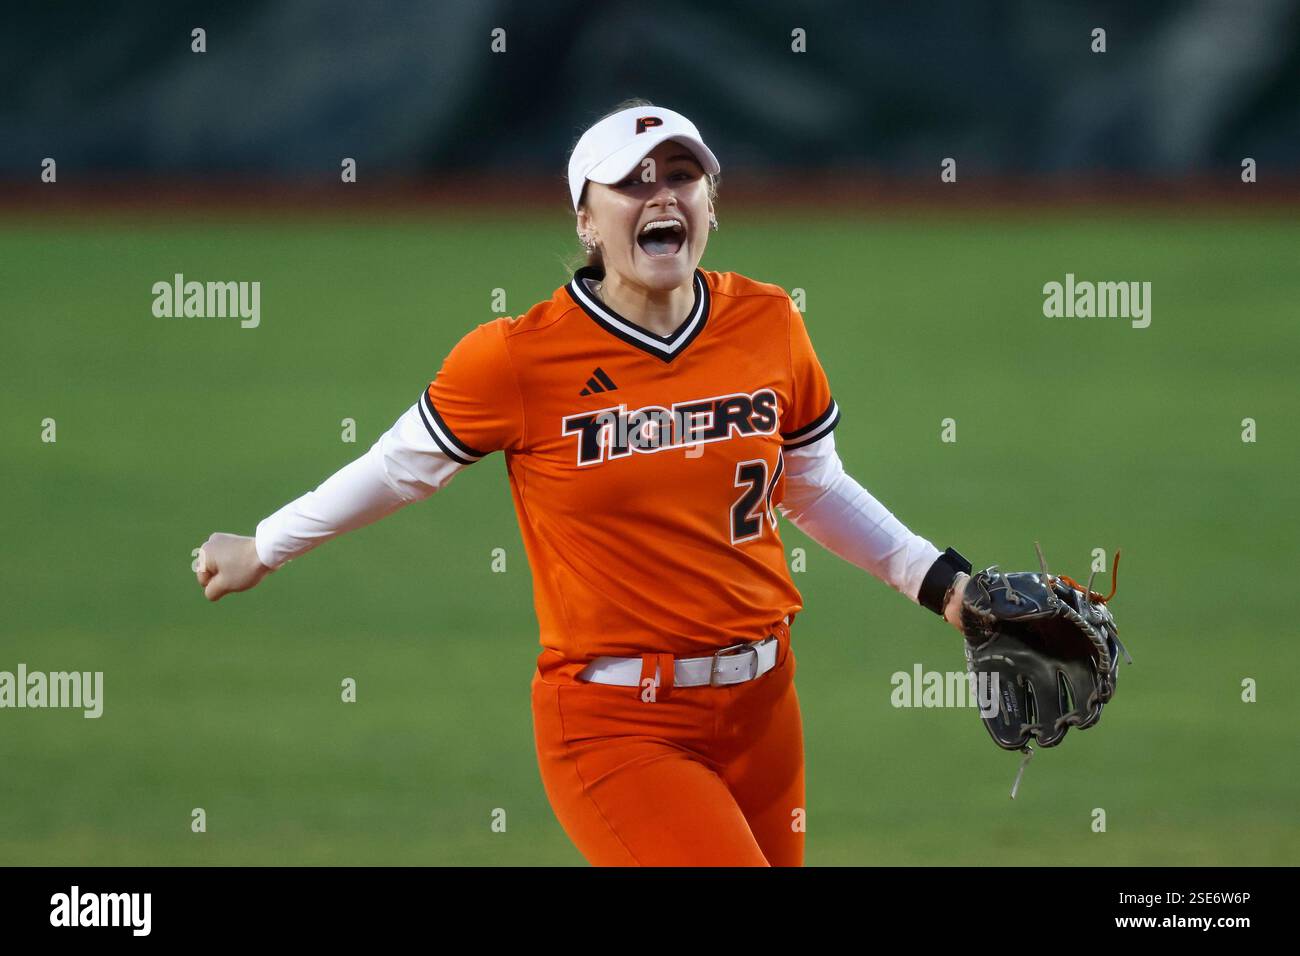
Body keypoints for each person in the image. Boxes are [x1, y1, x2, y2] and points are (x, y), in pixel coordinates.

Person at [194, 100, 975, 867]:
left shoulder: (769, 322)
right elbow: (399, 468)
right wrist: (264, 546)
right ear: (587, 222)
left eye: (681, 174)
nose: (662, 193)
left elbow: (812, 486)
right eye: (631, 182)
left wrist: (945, 586)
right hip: (617, 724)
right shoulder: (518, 359)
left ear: (710, 205)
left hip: (765, 707)